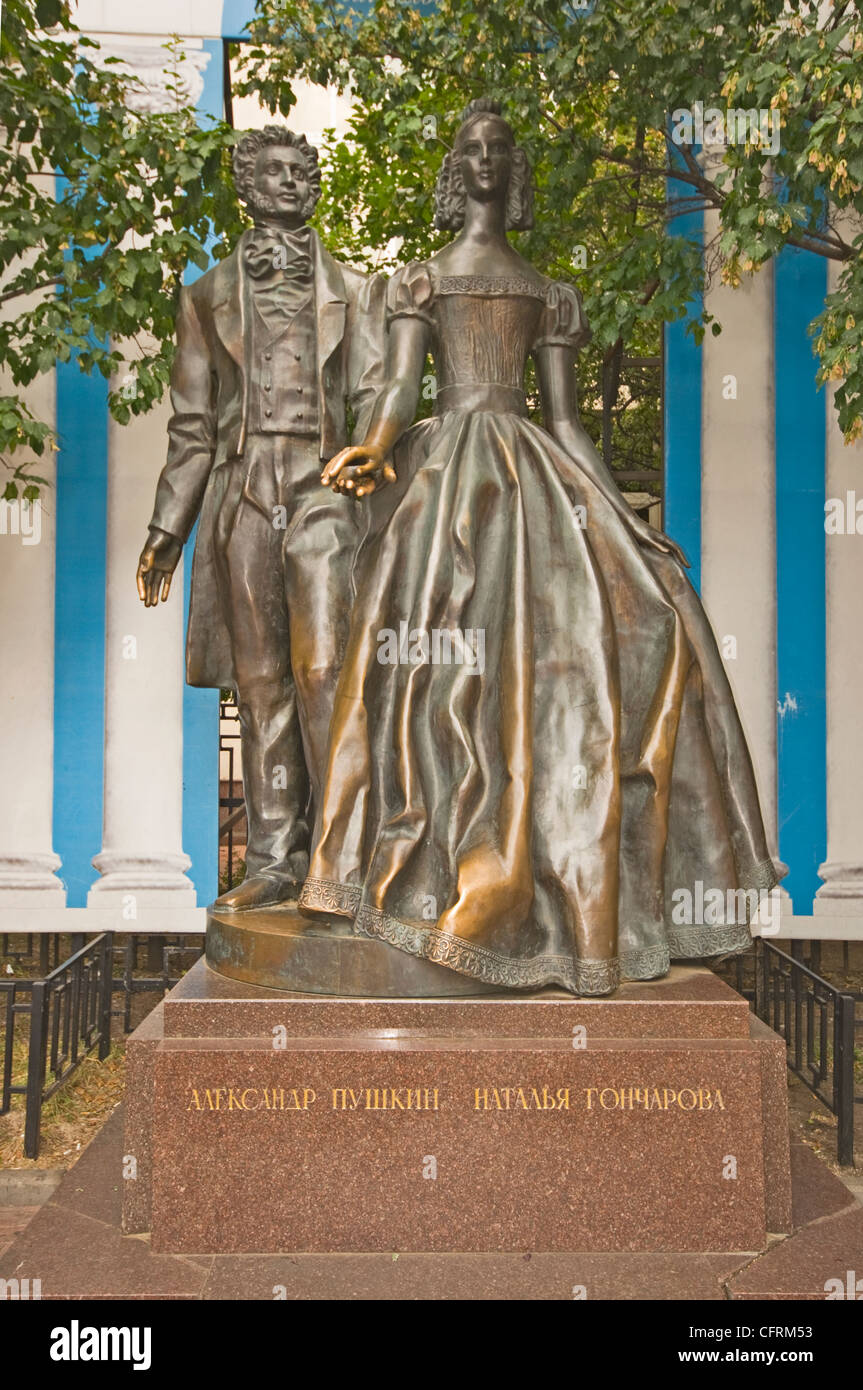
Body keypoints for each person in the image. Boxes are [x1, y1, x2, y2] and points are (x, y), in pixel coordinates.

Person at [298, 99, 780, 994]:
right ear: (455, 170)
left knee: (642, 622)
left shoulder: (549, 293)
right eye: (469, 148)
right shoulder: (419, 280)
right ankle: (417, 863)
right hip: (445, 475)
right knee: (423, 664)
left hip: (531, 467)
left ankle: (574, 889)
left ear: (512, 173)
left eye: (498, 150)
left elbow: (563, 420)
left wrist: (619, 512)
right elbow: (401, 388)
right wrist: (372, 444)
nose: (484, 160)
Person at [137, 126, 384, 910]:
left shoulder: (356, 288)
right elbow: (192, 423)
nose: (289, 182)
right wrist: (166, 531)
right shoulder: (207, 295)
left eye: (300, 172)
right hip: (243, 487)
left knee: (324, 670)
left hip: (324, 486)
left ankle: (342, 855)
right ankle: (275, 857)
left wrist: (370, 454)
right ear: (248, 185)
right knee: (262, 679)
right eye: (273, 171)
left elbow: (377, 394)